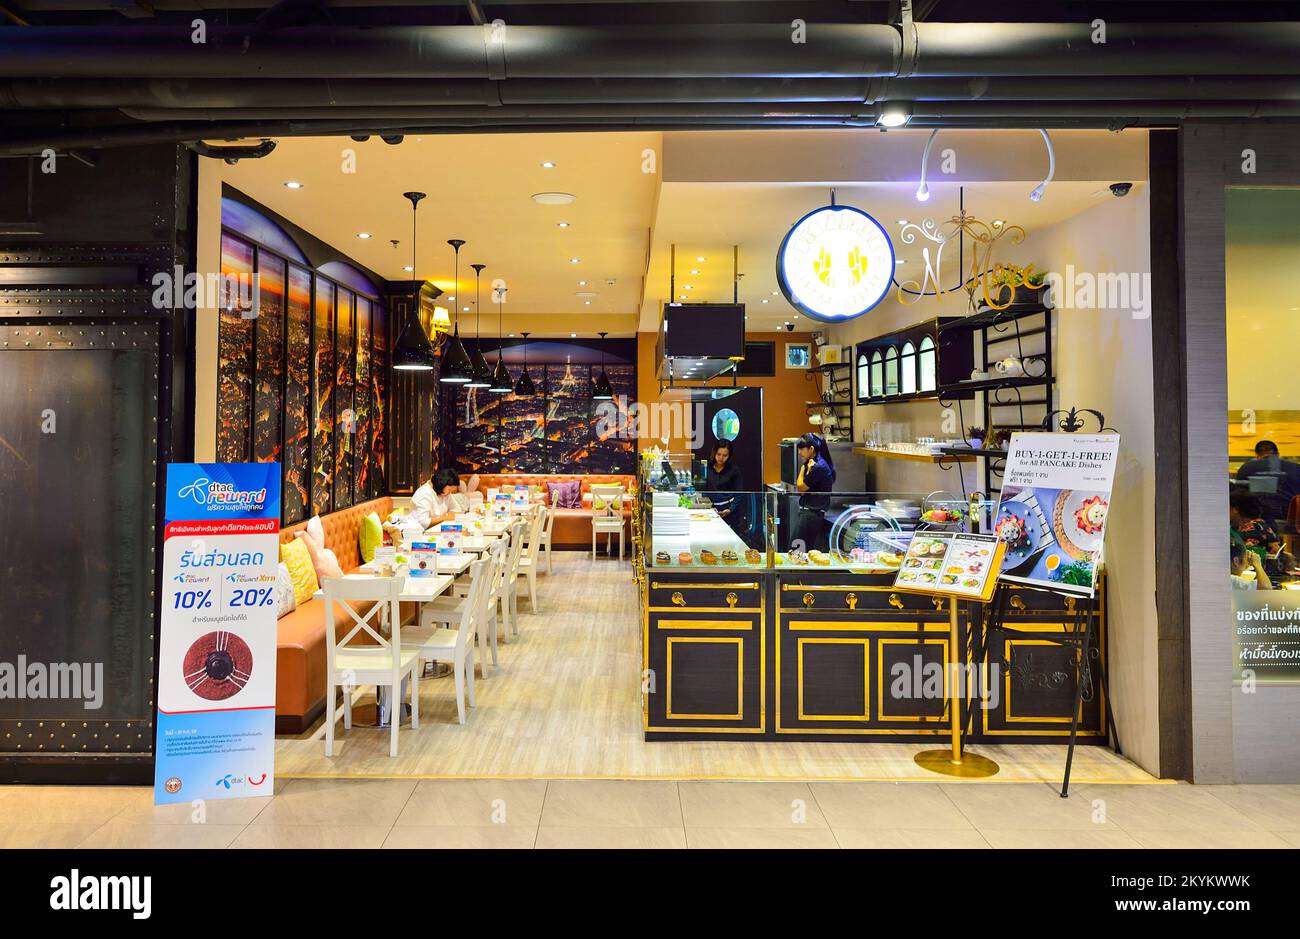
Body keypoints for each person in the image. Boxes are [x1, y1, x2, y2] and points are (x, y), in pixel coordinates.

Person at [1235, 440, 1300, 524]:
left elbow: (1239, 496)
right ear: (1277, 454)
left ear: (1257, 455)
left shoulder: (1247, 467)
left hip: (1258, 522)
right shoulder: (1296, 468)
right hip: (1291, 521)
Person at [793, 432, 835, 553]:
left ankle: (798, 572)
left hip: (811, 515)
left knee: (797, 550)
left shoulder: (818, 467)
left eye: (801, 449)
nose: (799, 453)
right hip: (809, 513)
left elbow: (800, 487)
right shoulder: (812, 464)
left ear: (811, 449)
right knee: (800, 548)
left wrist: (802, 470)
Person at [702, 441, 746, 532]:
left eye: (725, 455)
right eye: (718, 454)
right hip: (710, 509)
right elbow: (702, 490)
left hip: (729, 511)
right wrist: (708, 507)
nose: (721, 458)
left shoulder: (734, 470)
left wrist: (730, 509)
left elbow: (739, 493)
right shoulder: (706, 468)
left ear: (729, 456)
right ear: (714, 453)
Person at [407, 467, 461, 534]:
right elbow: (423, 522)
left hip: (437, 531)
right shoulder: (424, 494)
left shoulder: (444, 493)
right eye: (449, 489)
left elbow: (457, 511)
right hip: (419, 534)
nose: (450, 493)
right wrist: (445, 517)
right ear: (442, 484)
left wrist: (442, 518)